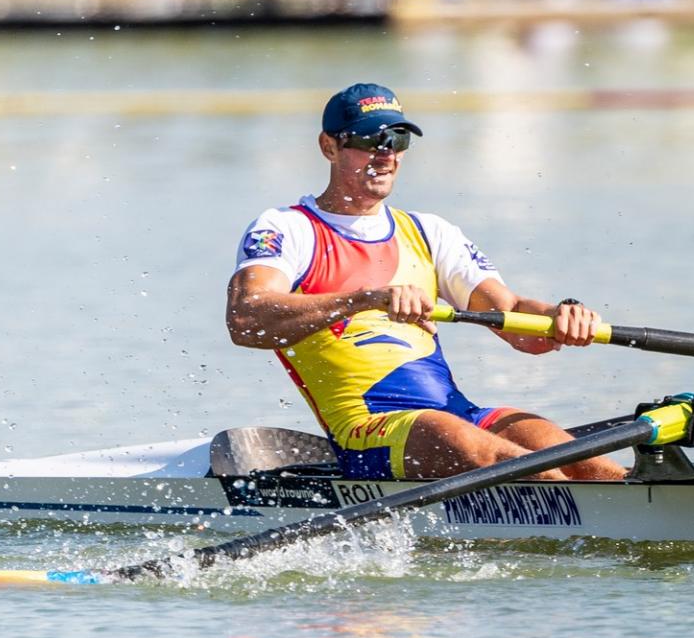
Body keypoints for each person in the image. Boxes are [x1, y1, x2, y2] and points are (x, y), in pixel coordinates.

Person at [227, 83, 625, 482]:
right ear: (329, 147)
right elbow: (246, 319)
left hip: (460, 418)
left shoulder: (429, 231)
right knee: (519, 465)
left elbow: (515, 320)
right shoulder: (287, 227)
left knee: (594, 468)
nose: (385, 154)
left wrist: (562, 316)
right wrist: (365, 300)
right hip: (368, 432)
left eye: (397, 140)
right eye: (368, 140)